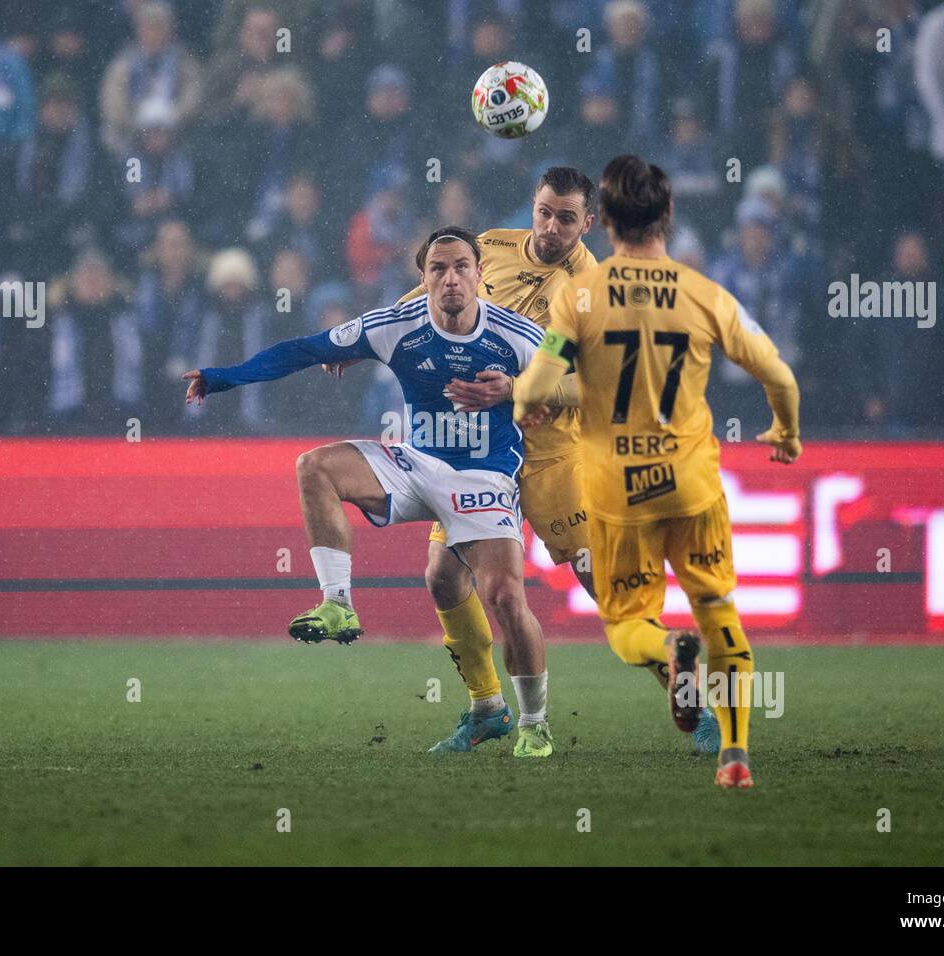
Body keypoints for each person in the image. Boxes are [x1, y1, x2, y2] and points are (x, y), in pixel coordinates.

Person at [331, 167, 720, 755]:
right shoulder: (491, 246)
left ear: (589, 223)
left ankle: (689, 693)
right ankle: (487, 708)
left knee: (604, 586)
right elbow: (427, 297)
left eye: (566, 218)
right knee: (442, 578)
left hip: (549, 454)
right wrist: (359, 344)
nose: (551, 226)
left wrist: (517, 389)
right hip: (472, 452)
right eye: (544, 211)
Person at [184, 227, 574, 758]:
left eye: (462, 266)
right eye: (439, 269)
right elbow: (304, 349)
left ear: (481, 275)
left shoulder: (520, 334)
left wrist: (520, 389)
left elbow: (580, 380)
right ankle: (337, 604)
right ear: (424, 279)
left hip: (486, 477)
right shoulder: (396, 325)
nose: (451, 278)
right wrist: (223, 377)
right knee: (315, 466)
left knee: (500, 595)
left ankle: (533, 722)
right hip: (417, 464)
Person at [513, 156, 803, 788]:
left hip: (618, 490)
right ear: (667, 216)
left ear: (604, 222)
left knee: (626, 625)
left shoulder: (580, 297)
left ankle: (666, 649)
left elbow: (542, 381)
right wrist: (785, 431)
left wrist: (526, 402)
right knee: (718, 609)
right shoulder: (706, 294)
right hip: (693, 483)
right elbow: (778, 373)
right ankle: (734, 755)